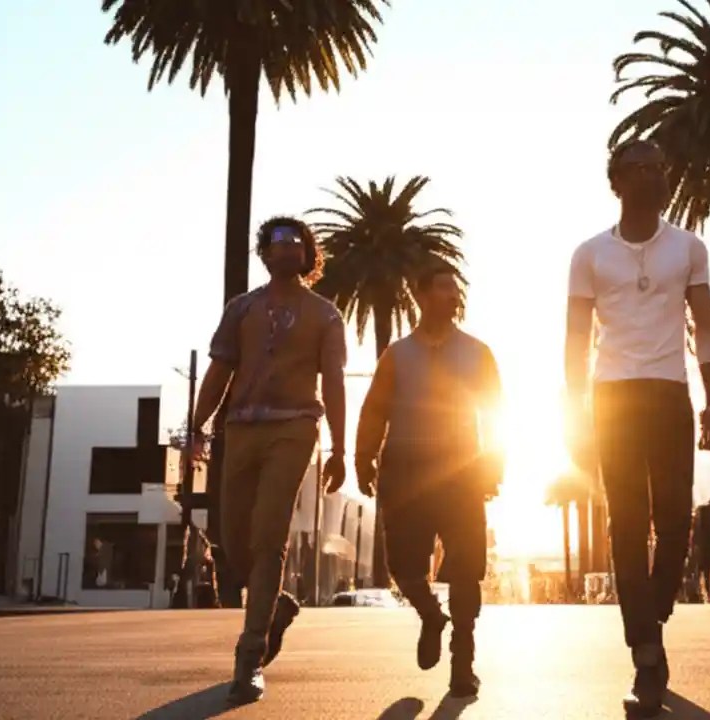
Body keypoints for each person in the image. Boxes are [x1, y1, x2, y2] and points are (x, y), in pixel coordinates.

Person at [564, 138, 710, 716]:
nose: (656, 176)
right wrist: (574, 410)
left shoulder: (688, 247)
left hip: (670, 393)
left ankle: (652, 611)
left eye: (661, 167)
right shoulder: (589, 254)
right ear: (618, 181)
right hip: (613, 398)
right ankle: (647, 655)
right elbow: (575, 340)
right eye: (643, 168)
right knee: (627, 525)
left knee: (676, 519)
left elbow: (706, 326)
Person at [191, 216, 347, 705]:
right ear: (264, 252)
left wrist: (340, 448)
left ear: (308, 254)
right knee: (232, 539)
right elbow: (219, 370)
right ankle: (274, 604)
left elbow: (334, 382)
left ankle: (250, 656)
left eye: (297, 241)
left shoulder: (325, 315)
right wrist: (196, 426)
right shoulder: (242, 308)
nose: (288, 247)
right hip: (240, 427)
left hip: (295, 427)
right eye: (278, 241)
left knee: (268, 537)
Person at [354, 261, 503, 699]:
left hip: (461, 470)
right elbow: (375, 410)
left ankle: (463, 663)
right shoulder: (397, 355)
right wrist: (363, 457)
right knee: (404, 567)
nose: (453, 296)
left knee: (466, 568)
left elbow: (496, 410)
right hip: (405, 470)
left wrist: (494, 462)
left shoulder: (478, 352)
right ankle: (431, 616)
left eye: (455, 289)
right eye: (442, 288)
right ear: (420, 295)